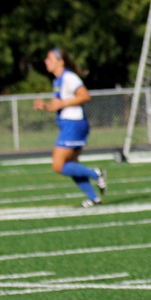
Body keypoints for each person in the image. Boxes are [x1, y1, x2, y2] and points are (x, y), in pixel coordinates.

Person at [33, 48, 107, 207]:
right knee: (71, 165)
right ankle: (94, 198)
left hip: (74, 124)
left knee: (58, 165)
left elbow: (85, 95)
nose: (46, 61)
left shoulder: (69, 77)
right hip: (69, 124)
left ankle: (96, 173)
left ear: (61, 61)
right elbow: (58, 104)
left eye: (50, 58)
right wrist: (45, 106)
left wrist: (63, 103)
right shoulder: (58, 80)